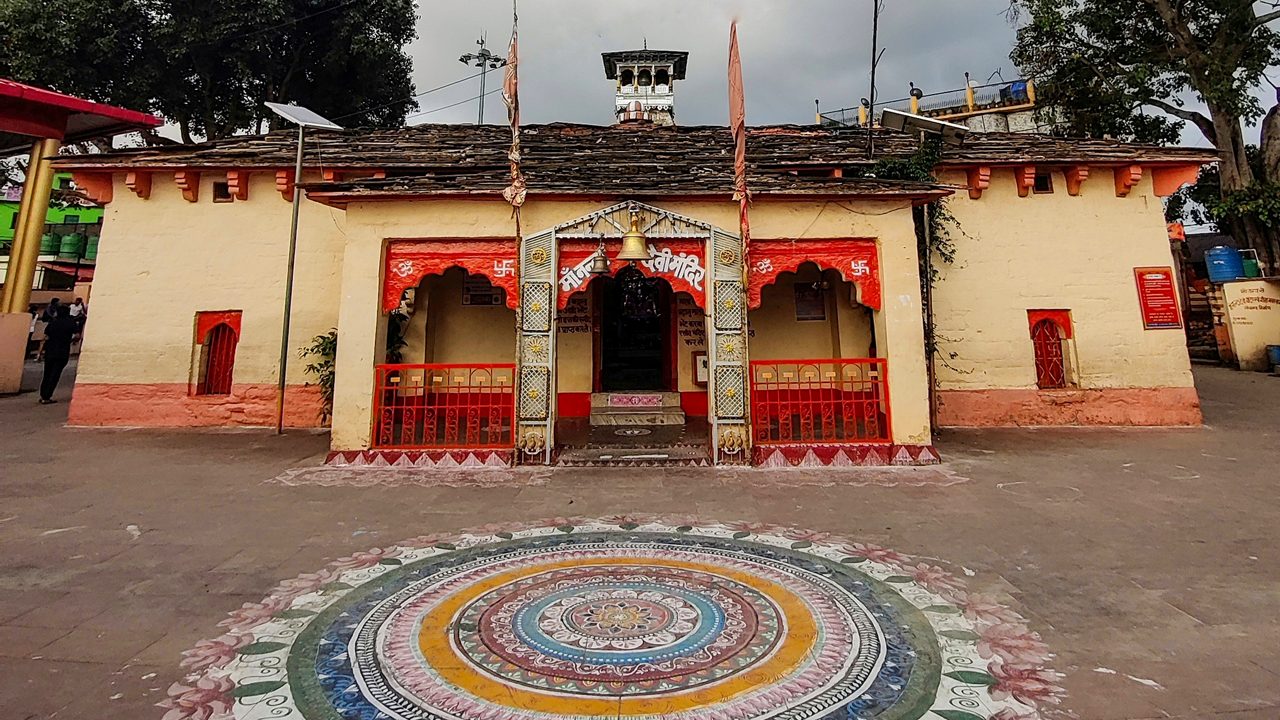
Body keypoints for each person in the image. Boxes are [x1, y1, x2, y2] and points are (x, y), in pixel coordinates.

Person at [39, 305, 76, 404]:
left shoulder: (53, 323)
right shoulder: (69, 322)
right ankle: (47, 395)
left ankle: (43, 394)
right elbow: (76, 334)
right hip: (62, 351)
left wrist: (41, 351)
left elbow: (46, 335)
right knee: (55, 374)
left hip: (50, 350)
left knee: (47, 373)